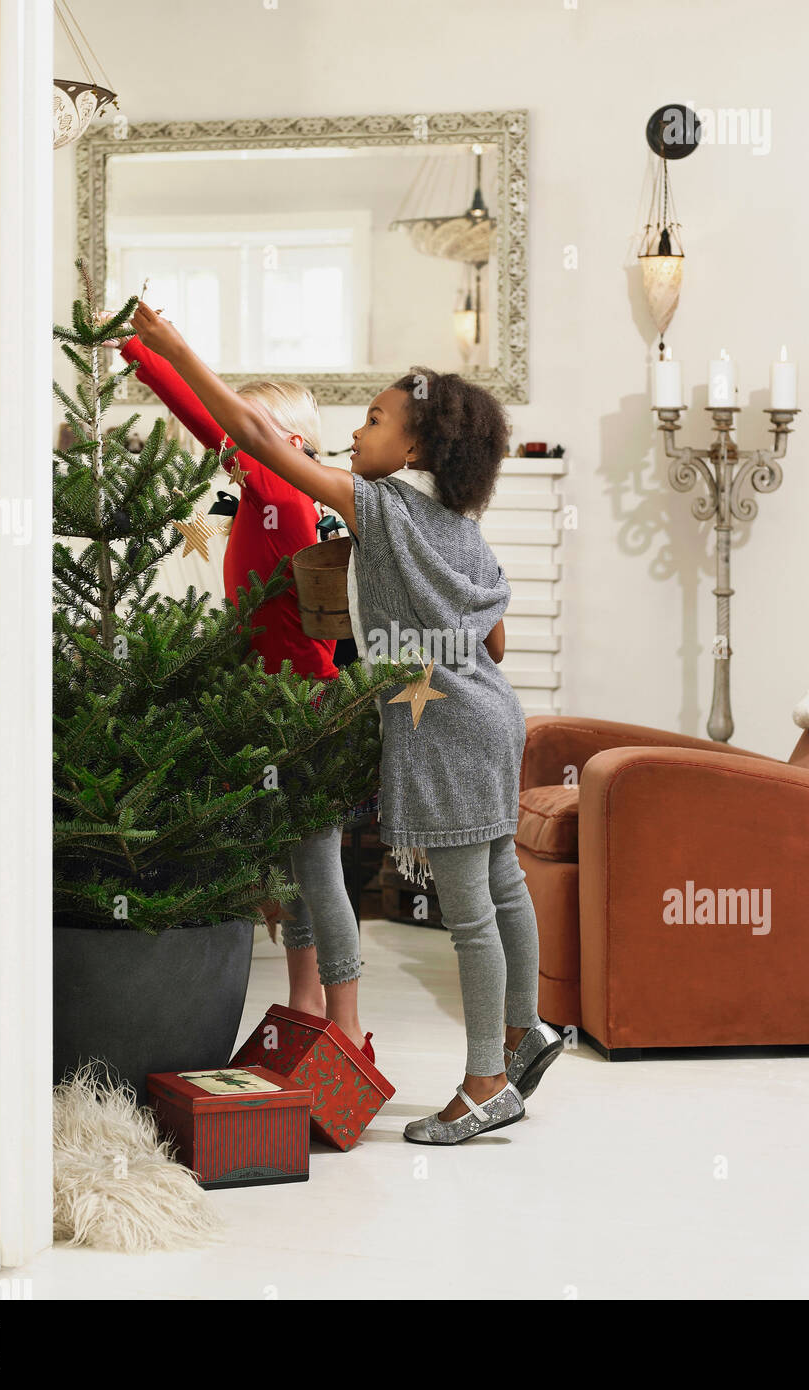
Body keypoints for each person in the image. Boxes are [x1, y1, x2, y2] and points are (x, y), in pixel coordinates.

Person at [128, 300, 563, 1144]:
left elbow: (254, 438)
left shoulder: (381, 508)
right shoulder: (462, 530)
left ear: (416, 450)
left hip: (450, 733)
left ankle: (483, 1085)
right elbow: (496, 640)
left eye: (372, 420)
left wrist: (173, 345)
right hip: (495, 718)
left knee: (468, 910)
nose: (355, 434)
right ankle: (524, 1030)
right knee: (503, 883)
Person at [116, 330, 374, 1061]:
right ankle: (305, 1001)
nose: (231, 447)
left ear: (286, 439)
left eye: (248, 434)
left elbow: (209, 417)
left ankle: (347, 1023)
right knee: (293, 865)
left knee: (319, 869)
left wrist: (148, 350)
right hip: (278, 709)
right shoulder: (284, 496)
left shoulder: (282, 490)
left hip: (302, 715)